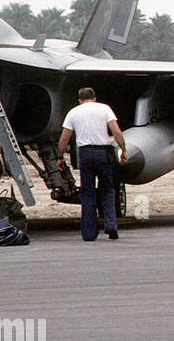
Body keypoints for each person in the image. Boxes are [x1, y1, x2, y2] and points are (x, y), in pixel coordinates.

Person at [55, 87, 128, 241]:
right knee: (107, 189)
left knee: (87, 193)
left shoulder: (73, 112)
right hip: (102, 153)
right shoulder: (105, 109)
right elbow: (116, 132)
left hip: (85, 154)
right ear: (95, 98)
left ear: (79, 100)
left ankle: (89, 233)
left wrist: (60, 157)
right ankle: (111, 225)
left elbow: (64, 138)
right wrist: (123, 150)